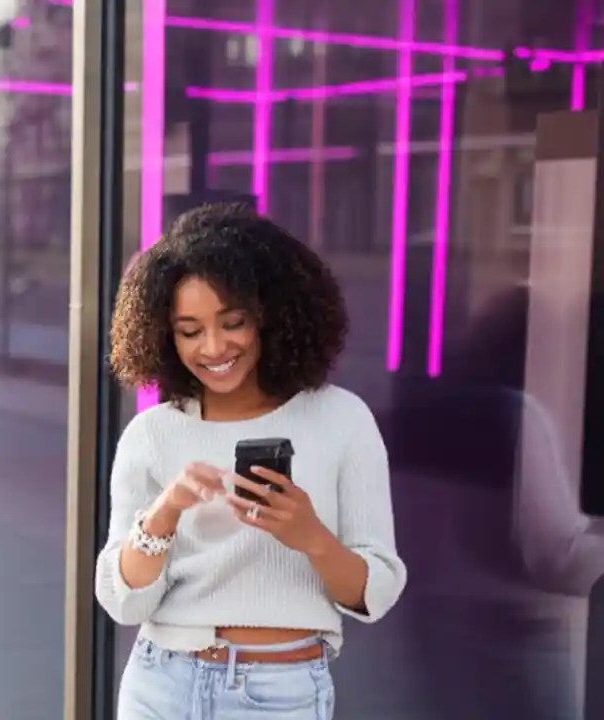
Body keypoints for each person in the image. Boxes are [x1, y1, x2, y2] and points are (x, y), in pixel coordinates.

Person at [96, 203, 407, 719]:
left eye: (233, 322)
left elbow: (375, 593)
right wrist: (165, 513)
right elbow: (122, 600)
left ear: (270, 315)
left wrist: (309, 535)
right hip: (160, 685)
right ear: (165, 335)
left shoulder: (341, 419)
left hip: (278, 693)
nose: (214, 347)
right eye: (189, 330)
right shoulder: (152, 434)